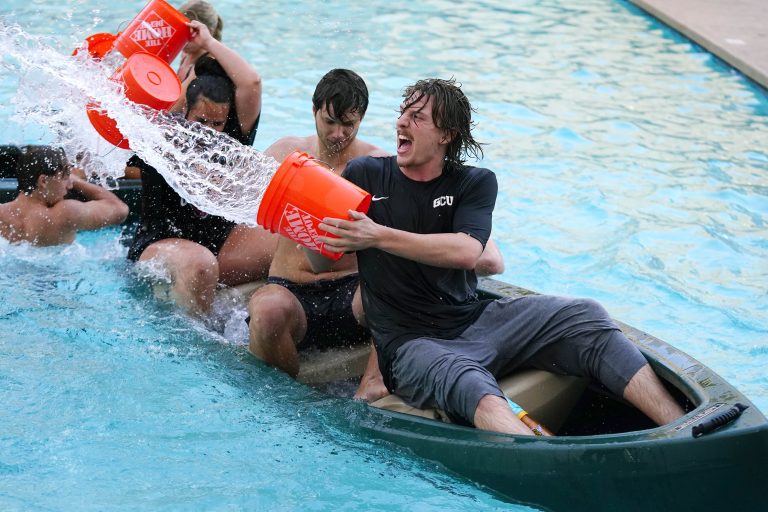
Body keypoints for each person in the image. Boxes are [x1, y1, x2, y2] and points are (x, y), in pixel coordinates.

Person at [318, 78, 685, 435]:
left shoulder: (475, 182)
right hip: (409, 345)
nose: (401, 122)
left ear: (446, 135)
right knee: (468, 379)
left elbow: (467, 252)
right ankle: (545, 461)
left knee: (586, 314)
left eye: (417, 117)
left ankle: (681, 428)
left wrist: (379, 235)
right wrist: (312, 226)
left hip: (474, 321)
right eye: (402, 113)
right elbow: (321, 261)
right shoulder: (366, 174)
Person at [247, 69, 504, 380]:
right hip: (291, 288)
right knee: (266, 313)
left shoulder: (379, 169)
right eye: (330, 122)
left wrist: (471, 249)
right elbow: (241, 202)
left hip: (357, 292)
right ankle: (289, 394)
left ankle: (377, 377)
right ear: (314, 110)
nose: (338, 134)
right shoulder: (285, 154)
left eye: (348, 125)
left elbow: (480, 250)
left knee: (399, 286)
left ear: (362, 119)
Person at [125, 27, 274, 315]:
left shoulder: (231, 140)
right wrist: (192, 75)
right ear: (186, 113)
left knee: (293, 237)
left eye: (217, 124)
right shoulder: (163, 136)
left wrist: (207, 41)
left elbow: (251, 82)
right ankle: (198, 339)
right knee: (201, 264)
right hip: (160, 243)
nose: (209, 132)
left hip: (220, 247)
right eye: (201, 121)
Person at [0, 145, 128, 245]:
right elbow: (120, 209)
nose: (69, 185)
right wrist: (78, 181)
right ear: (43, 181)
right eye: (65, 177)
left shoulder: (2, 214)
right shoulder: (65, 213)